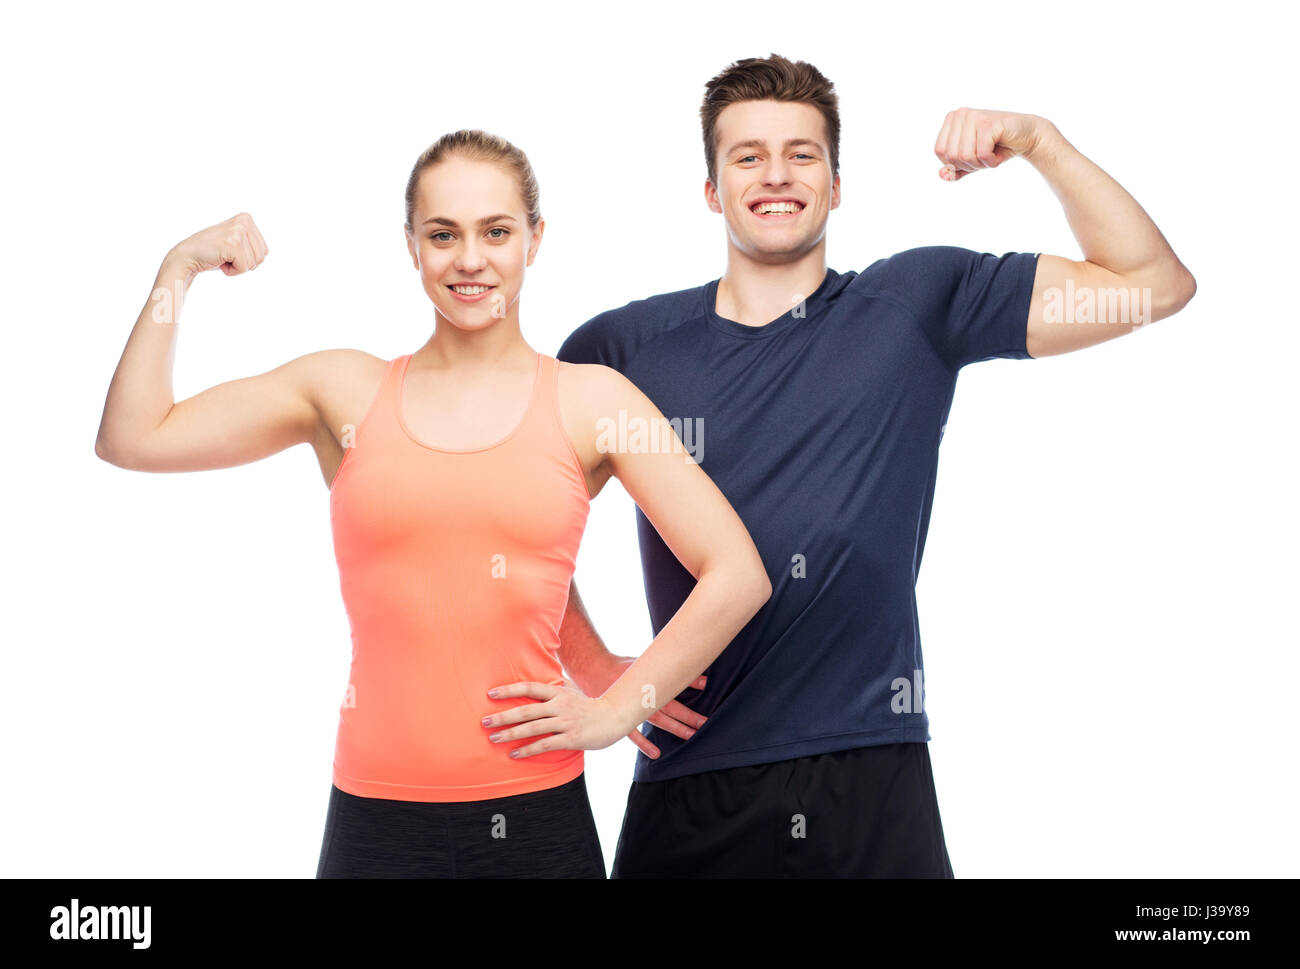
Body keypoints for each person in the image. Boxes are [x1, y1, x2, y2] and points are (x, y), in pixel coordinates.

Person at [541, 54, 1196, 877]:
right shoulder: (621, 350)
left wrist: (1040, 141)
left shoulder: (918, 303)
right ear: (711, 190)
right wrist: (596, 663)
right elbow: (515, 519)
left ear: (837, 184)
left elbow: (1153, 283)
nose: (775, 175)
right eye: (747, 156)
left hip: (872, 778)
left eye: (802, 154)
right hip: (690, 781)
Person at [92, 129, 771, 878]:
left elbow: (737, 571)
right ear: (411, 246)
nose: (470, 259)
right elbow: (133, 436)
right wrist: (177, 269)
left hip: (538, 822)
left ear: (535, 240)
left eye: (497, 231)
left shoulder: (590, 401)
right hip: (373, 826)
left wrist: (615, 706)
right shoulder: (342, 391)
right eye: (443, 234)